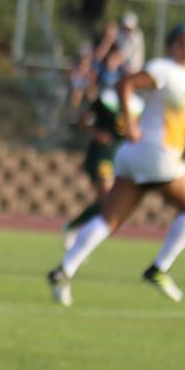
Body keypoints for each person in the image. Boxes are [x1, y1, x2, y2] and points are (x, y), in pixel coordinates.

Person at [47, 22, 185, 306]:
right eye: (182, 44)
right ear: (171, 47)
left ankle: (63, 270)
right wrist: (131, 123)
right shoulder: (164, 69)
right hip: (157, 154)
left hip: (135, 155)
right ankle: (159, 268)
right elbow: (126, 83)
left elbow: (183, 126)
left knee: (109, 219)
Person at [60, 43, 137, 241]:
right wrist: (95, 131)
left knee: (108, 203)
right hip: (100, 155)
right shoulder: (106, 99)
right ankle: (75, 231)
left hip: (118, 158)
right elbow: (82, 119)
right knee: (108, 201)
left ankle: (75, 229)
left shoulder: (138, 104)